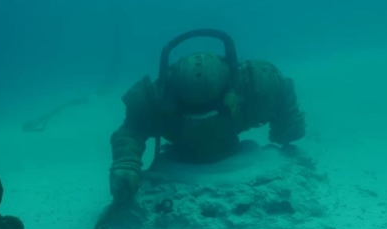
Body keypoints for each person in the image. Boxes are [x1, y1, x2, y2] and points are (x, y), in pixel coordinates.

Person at [109, 29, 306, 204]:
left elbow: (283, 93)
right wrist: (126, 162)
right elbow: (131, 130)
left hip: (219, 162)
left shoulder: (259, 83)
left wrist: (290, 125)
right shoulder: (154, 101)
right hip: (182, 166)